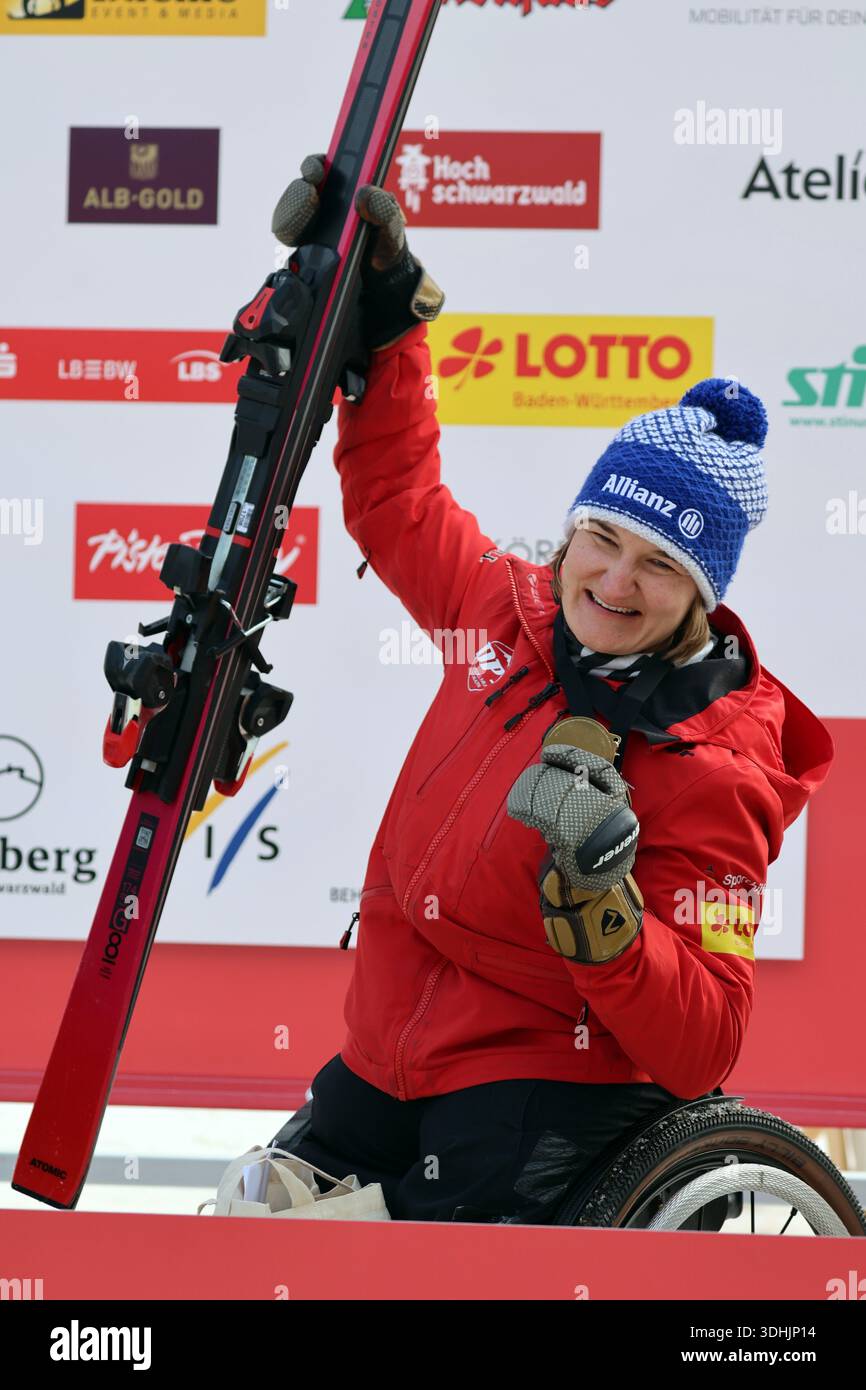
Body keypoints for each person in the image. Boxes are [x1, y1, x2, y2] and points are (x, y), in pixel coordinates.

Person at [268, 157, 834, 1224]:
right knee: (255, 1223)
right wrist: (388, 333)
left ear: (700, 596)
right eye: (600, 538)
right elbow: (396, 499)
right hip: (388, 1055)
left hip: (542, 1093)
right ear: (571, 528)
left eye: (657, 566)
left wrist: (608, 919)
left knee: (350, 1252)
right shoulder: (505, 612)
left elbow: (704, 1037)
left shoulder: (716, 763)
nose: (612, 582)